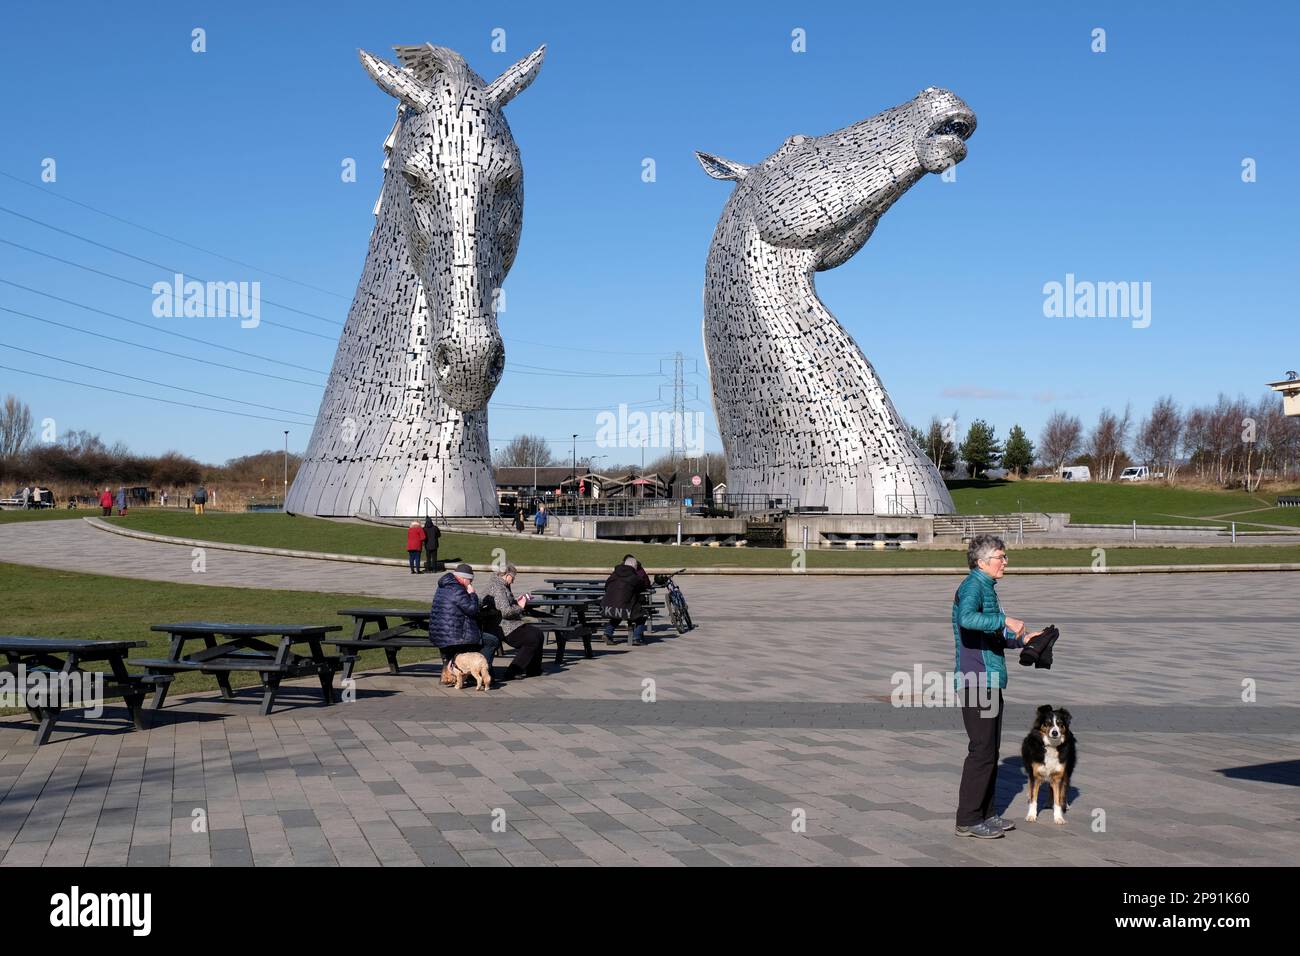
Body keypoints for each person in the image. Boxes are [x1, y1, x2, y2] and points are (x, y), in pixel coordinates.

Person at [952, 534, 1043, 840]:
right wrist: (1004, 619)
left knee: (990, 749)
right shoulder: (972, 586)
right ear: (982, 562)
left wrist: (1024, 639)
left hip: (989, 678)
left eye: (1004, 557)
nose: (1005, 562)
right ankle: (967, 819)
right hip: (975, 680)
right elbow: (967, 619)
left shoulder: (986, 588)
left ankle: (987, 813)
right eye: (1001, 557)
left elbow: (993, 635)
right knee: (981, 750)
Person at [478, 563, 545, 681]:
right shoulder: (498, 588)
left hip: (507, 623)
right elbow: (506, 612)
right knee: (532, 638)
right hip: (502, 626)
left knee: (538, 633)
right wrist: (520, 606)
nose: (513, 581)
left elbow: (505, 605)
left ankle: (533, 669)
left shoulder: (501, 584)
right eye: (513, 578)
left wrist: (516, 602)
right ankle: (513, 671)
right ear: (507, 575)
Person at [429, 563, 500, 672]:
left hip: (441, 634)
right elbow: (472, 610)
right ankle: (479, 672)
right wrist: (472, 594)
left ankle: (471, 672)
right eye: (470, 581)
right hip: (454, 637)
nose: (471, 583)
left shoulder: (445, 585)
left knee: (483, 639)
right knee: (492, 641)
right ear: (463, 578)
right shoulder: (457, 589)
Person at [602, 554, 651, 646]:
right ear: (634, 567)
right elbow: (643, 587)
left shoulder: (614, 574)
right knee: (642, 615)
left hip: (607, 605)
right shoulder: (634, 578)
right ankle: (637, 638)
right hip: (625, 606)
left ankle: (607, 634)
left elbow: (606, 586)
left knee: (617, 614)